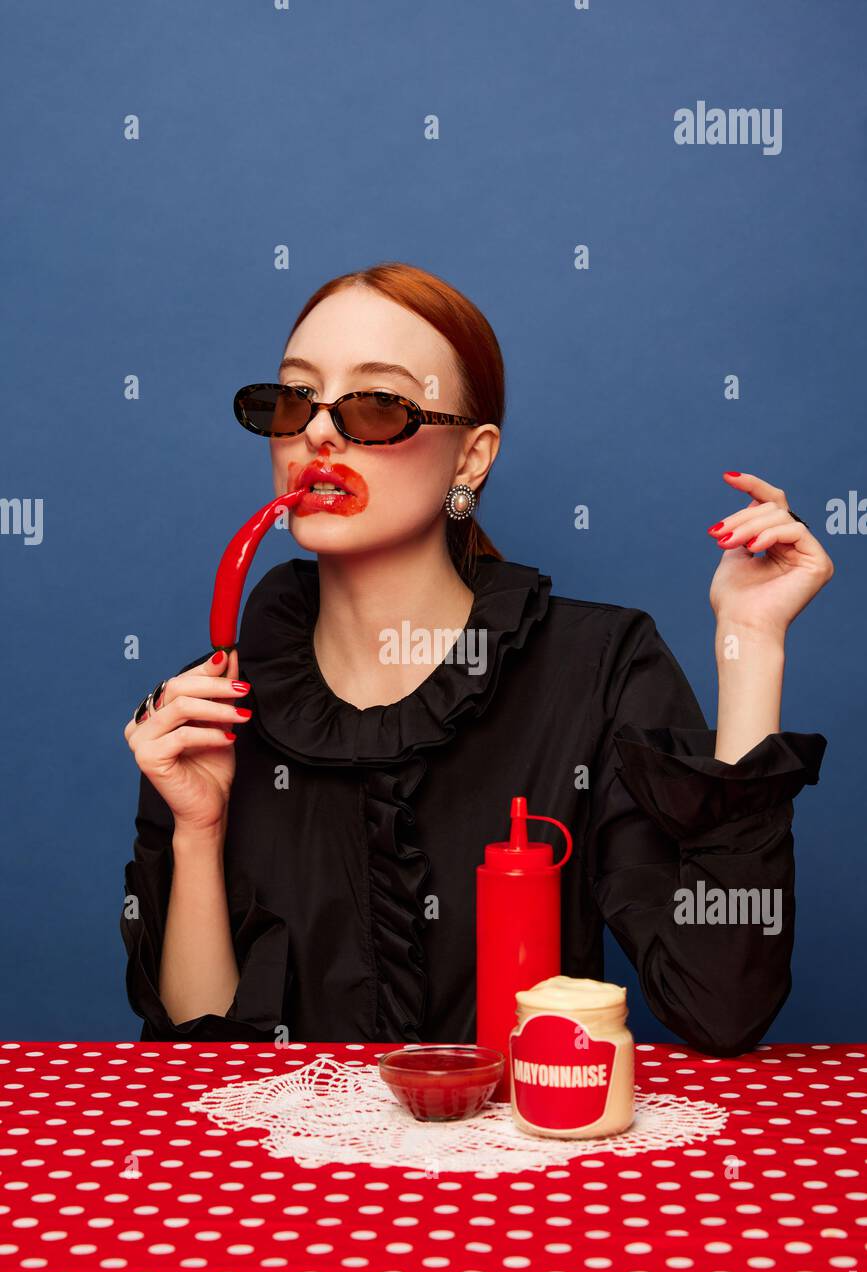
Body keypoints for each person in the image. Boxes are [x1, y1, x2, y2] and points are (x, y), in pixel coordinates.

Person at [120, 261, 833, 1054]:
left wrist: (750, 642)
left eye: (375, 406)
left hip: (524, 1168)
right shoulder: (211, 705)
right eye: (295, 400)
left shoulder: (598, 668)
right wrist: (196, 830)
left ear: (470, 458)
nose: (318, 433)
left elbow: (720, 1006)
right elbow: (196, 1063)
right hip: (294, 1175)